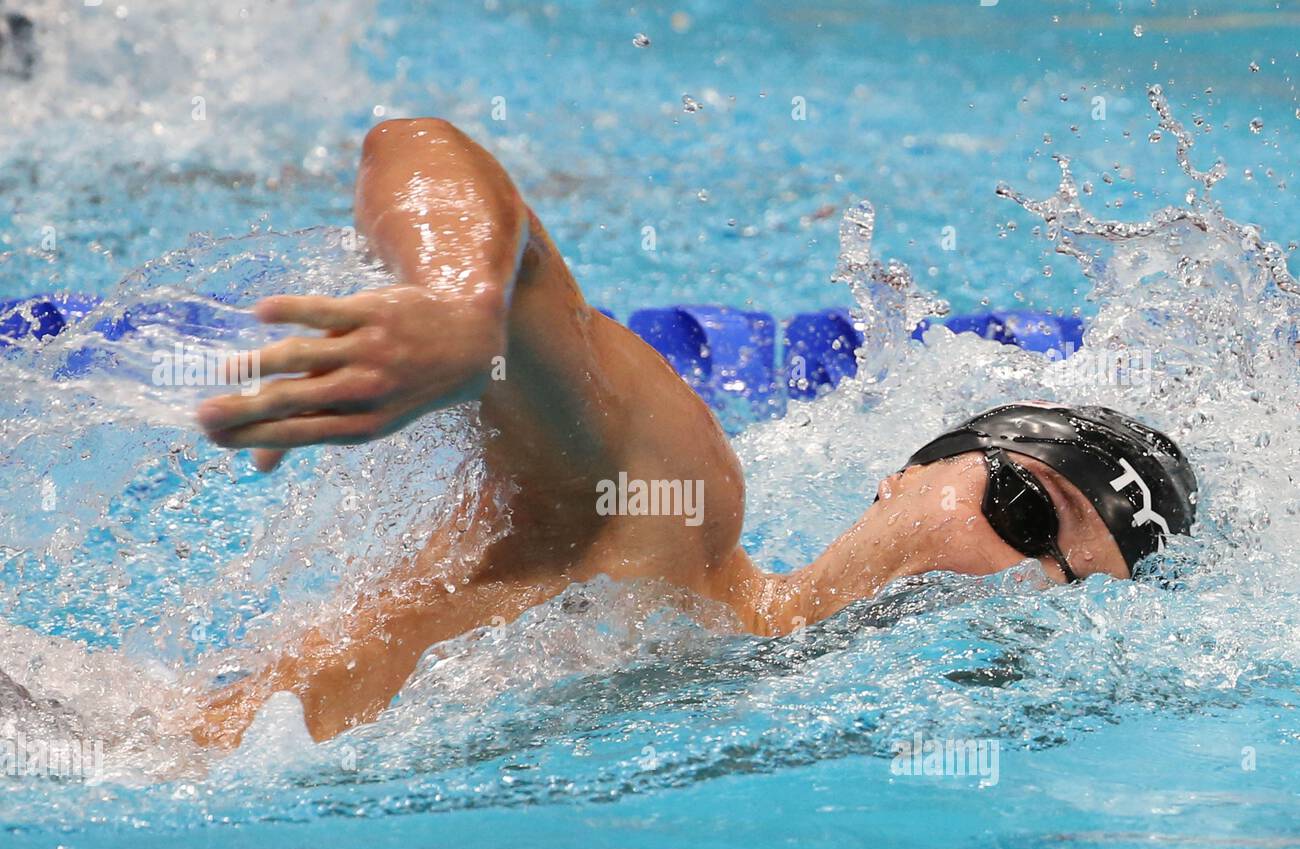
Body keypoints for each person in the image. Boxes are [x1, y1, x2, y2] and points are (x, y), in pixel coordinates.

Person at [189, 119, 1197, 747]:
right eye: (1023, 509)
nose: (1013, 582)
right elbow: (419, 147)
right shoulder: (673, 522)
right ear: (904, 474)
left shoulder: (784, 737)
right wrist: (464, 313)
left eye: (1065, 592)